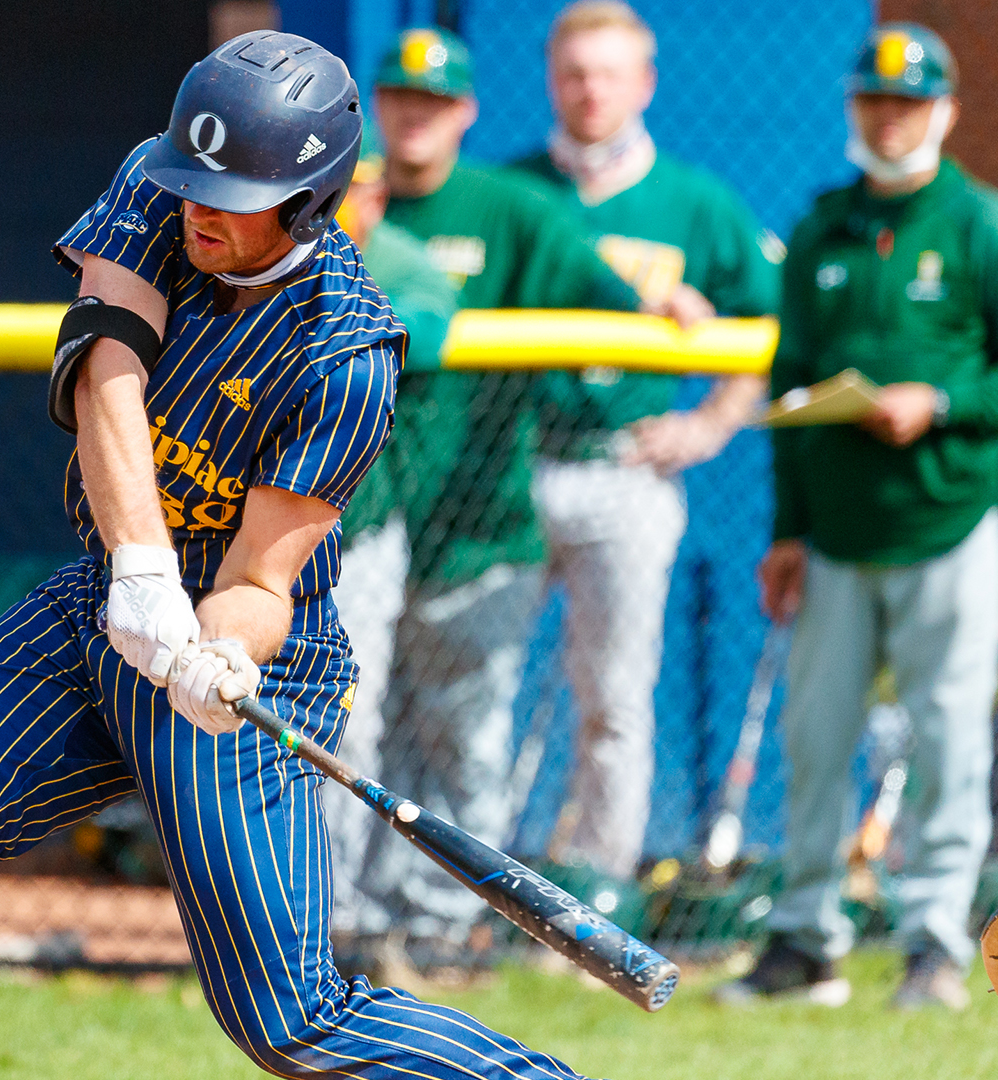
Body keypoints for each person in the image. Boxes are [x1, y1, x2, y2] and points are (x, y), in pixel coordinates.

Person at [0, 31, 589, 1080]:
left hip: (248, 664)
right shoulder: (163, 182)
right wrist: (143, 570)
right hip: (103, 600)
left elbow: (263, 578)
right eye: (193, 180)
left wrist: (218, 653)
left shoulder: (347, 353)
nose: (200, 206)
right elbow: (109, 357)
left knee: (285, 1021)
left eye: (235, 192)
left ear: (306, 198)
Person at [718, 23, 998, 1010]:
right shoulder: (822, 225)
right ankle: (803, 938)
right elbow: (787, 384)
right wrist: (785, 528)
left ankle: (935, 946)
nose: (889, 115)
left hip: (946, 519)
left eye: (908, 102)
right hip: (833, 529)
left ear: (945, 111)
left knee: (949, 739)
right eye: (874, 99)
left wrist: (940, 404)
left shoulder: (986, 223)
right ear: (853, 107)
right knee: (815, 738)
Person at [346, 25, 649, 981]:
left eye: (433, 102)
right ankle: (355, 926)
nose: (413, 115)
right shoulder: (336, 212)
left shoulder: (510, 207)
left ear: (466, 111)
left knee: (464, 740)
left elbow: (614, 311)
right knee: (362, 732)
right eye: (398, 98)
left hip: (479, 527)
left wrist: (590, 405)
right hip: (362, 518)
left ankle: (443, 929)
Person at [510, 0, 780, 880]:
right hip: (507, 474)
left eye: (608, 73)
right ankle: (451, 899)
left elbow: (769, 333)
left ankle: (597, 893)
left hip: (625, 472)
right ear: (550, 80)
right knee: (466, 689)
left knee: (614, 698)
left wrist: (708, 425)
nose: (589, 91)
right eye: (573, 73)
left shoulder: (695, 202)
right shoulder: (512, 191)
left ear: (645, 83)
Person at [326, 123, 459, 944]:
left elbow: (426, 330)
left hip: (359, 532)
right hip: (234, 532)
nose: (341, 205)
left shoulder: (404, 261)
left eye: (355, 190)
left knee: (349, 721)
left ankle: (335, 913)